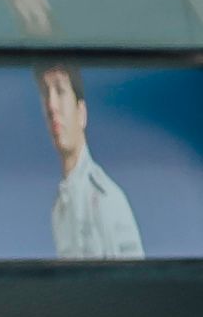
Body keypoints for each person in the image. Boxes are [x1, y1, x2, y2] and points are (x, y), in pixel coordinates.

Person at [37, 62, 141, 263]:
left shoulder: (102, 196)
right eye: (45, 94)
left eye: (59, 91)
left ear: (81, 112)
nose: (52, 106)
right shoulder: (59, 208)